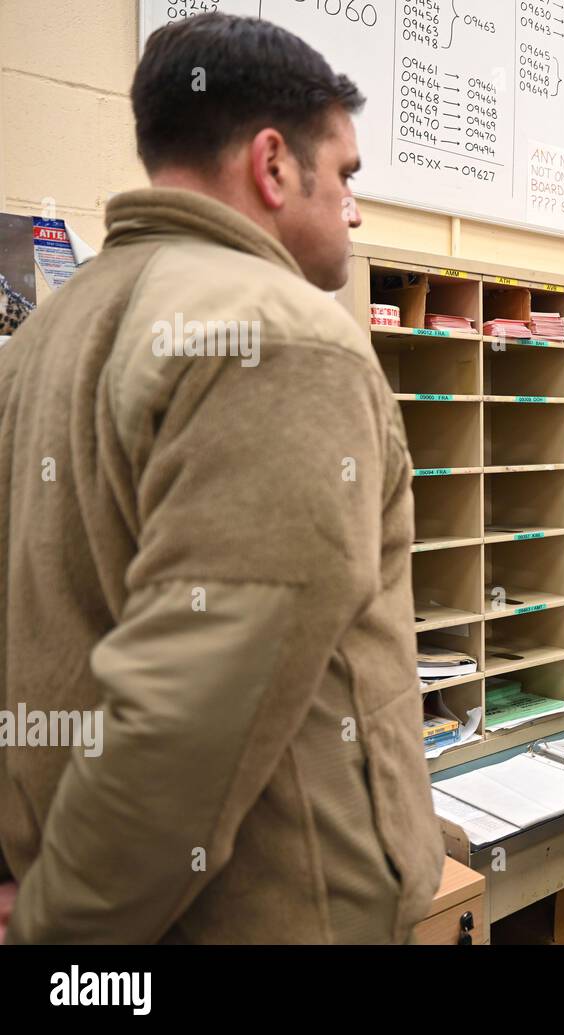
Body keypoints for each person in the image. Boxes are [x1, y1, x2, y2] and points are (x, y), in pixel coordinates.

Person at [0, 13, 442, 943]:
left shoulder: (43, 334)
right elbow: (188, 715)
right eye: (348, 174)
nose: (356, 210)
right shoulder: (281, 339)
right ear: (275, 165)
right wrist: (55, 931)